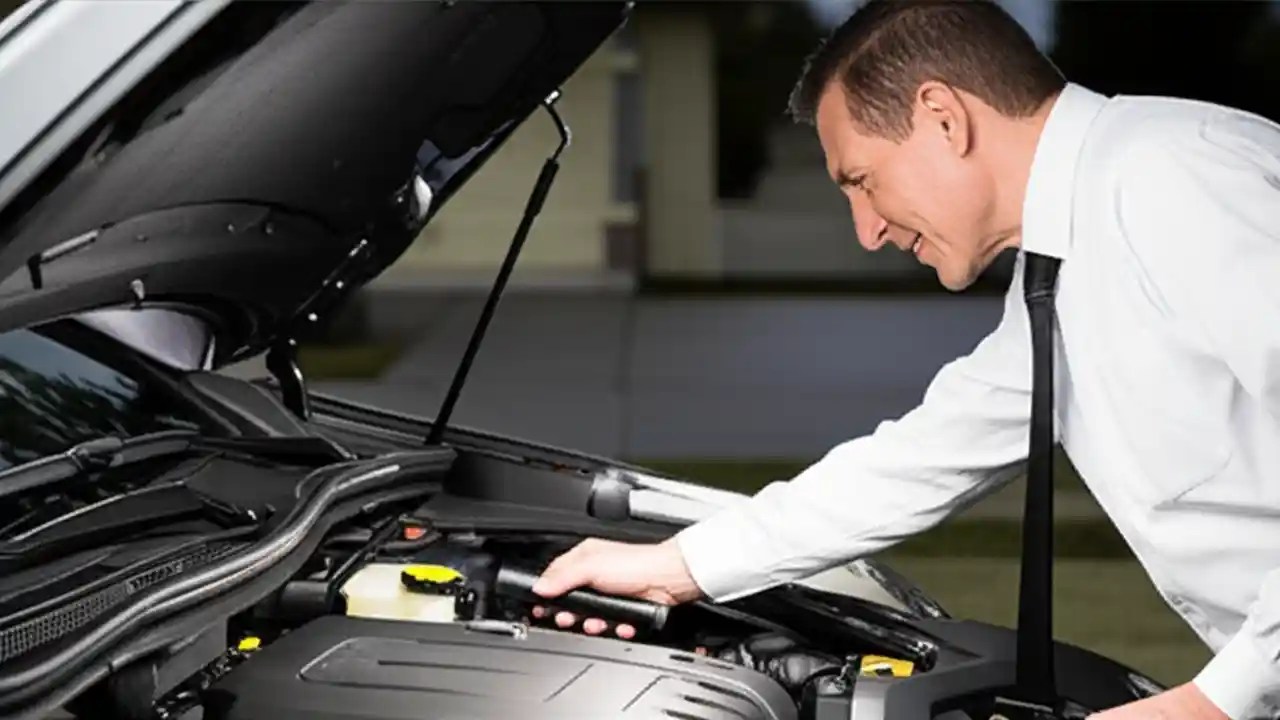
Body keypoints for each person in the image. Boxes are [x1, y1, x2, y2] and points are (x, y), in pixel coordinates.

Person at [532, 0, 1280, 717]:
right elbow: (919, 462)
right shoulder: (1060, 263)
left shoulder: (1174, 180)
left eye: (861, 180)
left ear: (942, 118)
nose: (867, 230)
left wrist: (1211, 703)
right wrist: (676, 568)